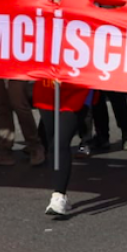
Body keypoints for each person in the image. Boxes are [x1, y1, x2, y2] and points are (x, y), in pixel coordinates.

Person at [36, 79, 93, 216]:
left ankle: (58, 195)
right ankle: (61, 192)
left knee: (60, 143)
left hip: (77, 90)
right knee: (52, 145)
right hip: (47, 89)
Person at [0, 79, 46, 167]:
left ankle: (35, 145)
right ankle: (4, 150)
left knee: (19, 104)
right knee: (1, 107)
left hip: (16, 68)